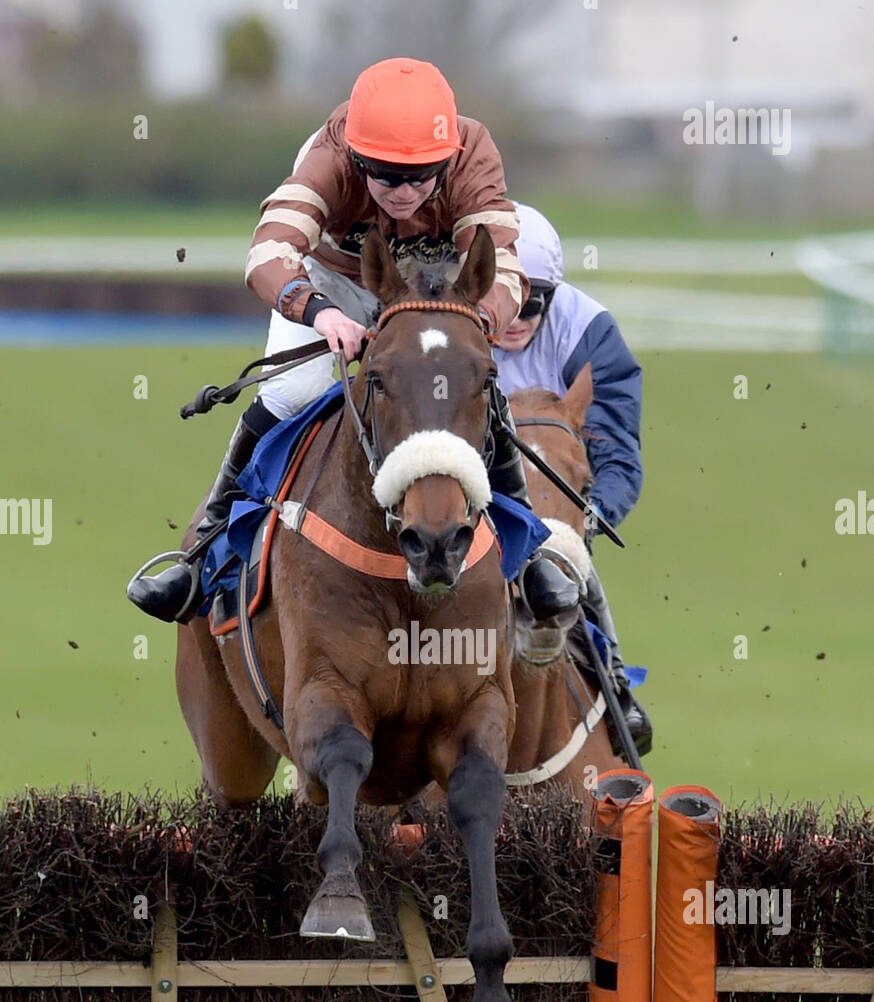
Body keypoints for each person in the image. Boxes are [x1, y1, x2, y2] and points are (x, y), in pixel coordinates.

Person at [127, 58, 578, 626]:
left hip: (434, 294)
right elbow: (267, 253)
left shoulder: (473, 152)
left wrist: (479, 322)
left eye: (421, 177)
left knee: (471, 397)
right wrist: (319, 313)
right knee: (290, 394)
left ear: (447, 160)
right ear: (357, 159)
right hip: (334, 285)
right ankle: (201, 554)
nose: (404, 191)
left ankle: (531, 557)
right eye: (386, 176)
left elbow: (506, 267)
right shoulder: (329, 158)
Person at [493, 203, 652, 753]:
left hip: (556, 505)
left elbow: (618, 456)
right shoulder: (448, 326)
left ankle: (614, 690)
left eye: (531, 302)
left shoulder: (590, 334)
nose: (515, 319)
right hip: (467, 495)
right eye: (504, 299)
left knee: (573, 571)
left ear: (553, 293)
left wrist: (588, 519)